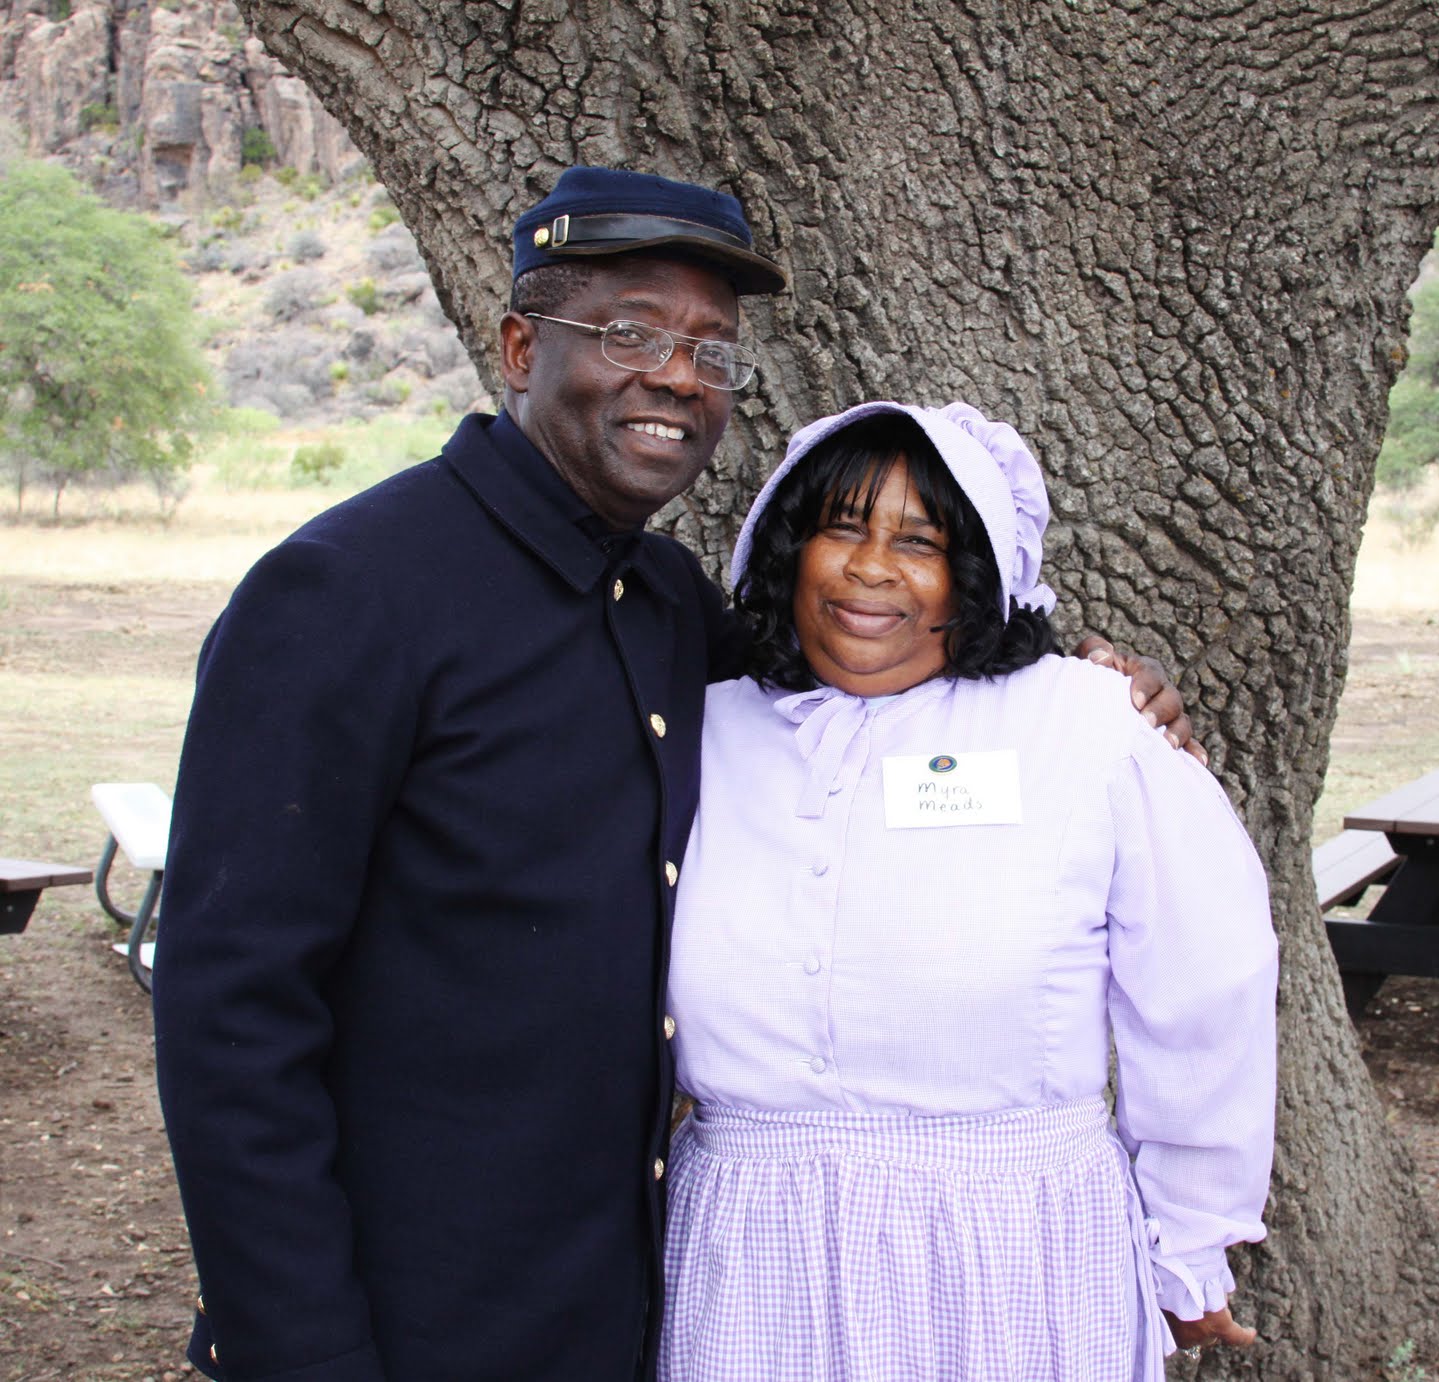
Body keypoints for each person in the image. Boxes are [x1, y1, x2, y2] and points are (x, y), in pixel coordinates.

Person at [152, 167, 1196, 1382]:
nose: (676, 377)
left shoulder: (662, 605)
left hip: (632, 1300)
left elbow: (885, 666)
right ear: (516, 344)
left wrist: (1087, 681)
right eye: (629, 331)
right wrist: (303, 1349)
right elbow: (231, 1012)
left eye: (710, 350)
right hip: (408, 1315)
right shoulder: (349, 591)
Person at [660, 402, 1279, 1380]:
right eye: (842, 527)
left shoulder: (1085, 727)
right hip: (752, 1249)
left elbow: (1204, 982)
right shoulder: (699, 729)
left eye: (919, 540)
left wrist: (1190, 1236)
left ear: (977, 576)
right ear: (788, 548)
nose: (871, 567)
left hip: (1013, 1247)